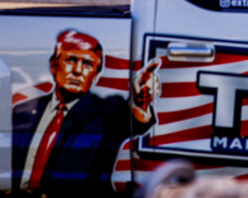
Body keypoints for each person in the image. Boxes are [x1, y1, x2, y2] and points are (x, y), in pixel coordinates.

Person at [12, 29, 160, 193]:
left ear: (96, 75)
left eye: (87, 64)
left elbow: (130, 118)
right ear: (53, 65)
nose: (78, 70)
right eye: (71, 60)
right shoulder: (23, 111)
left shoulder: (105, 113)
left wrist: (139, 102)